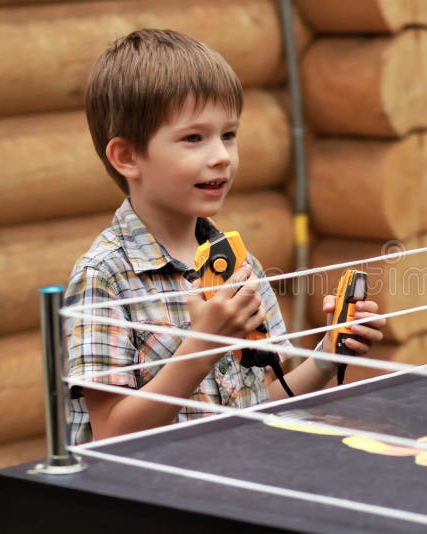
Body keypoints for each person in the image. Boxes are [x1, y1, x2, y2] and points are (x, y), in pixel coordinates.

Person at [64, 29, 385, 444]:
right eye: (193, 138)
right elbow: (111, 431)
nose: (221, 157)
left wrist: (326, 355)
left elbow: (258, 405)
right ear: (127, 157)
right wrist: (204, 345)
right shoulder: (103, 276)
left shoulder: (237, 263)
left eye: (229, 135)